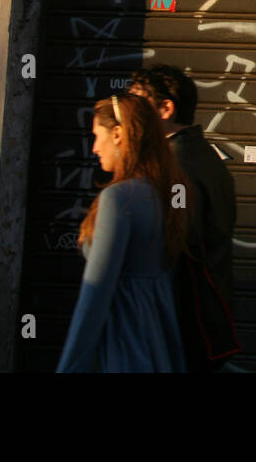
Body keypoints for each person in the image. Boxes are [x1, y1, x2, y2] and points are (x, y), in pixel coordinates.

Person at [57, 93, 188, 372]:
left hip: (121, 342)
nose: (94, 148)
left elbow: (96, 292)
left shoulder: (119, 198)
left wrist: (69, 366)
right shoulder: (164, 193)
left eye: (96, 135)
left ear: (117, 134)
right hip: (156, 342)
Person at [129, 64, 238, 371]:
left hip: (184, 324)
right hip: (200, 321)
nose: (128, 116)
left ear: (165, 109)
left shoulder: (177, 168)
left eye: (137, 104)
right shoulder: (200, 155)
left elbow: (177, 243)